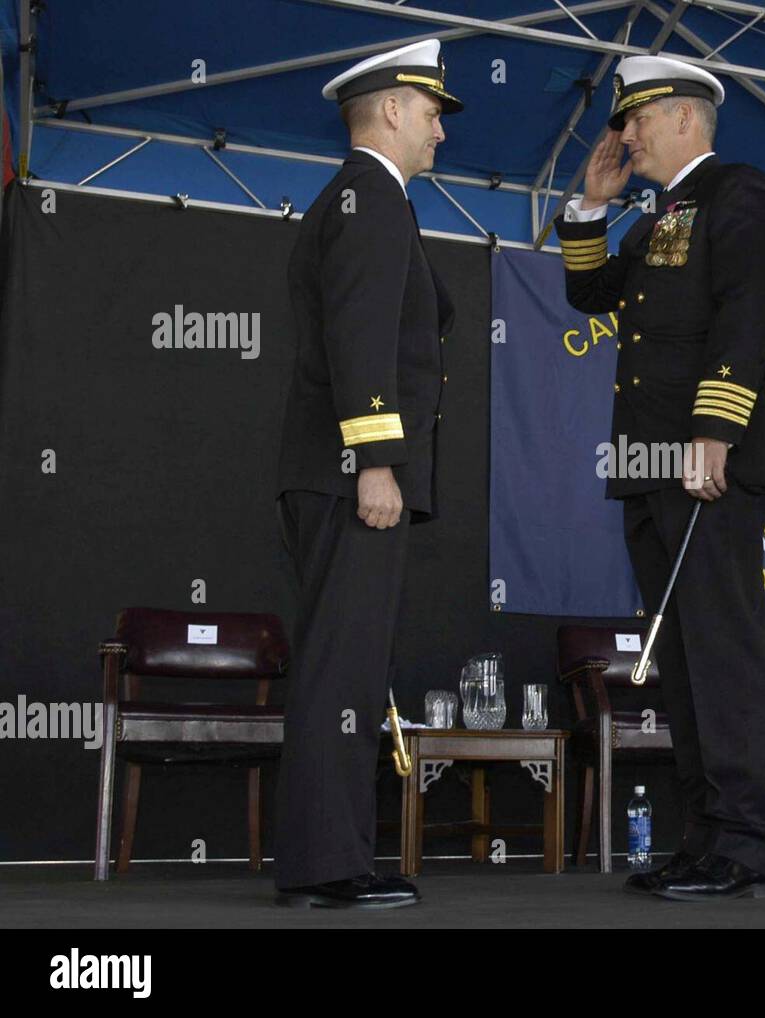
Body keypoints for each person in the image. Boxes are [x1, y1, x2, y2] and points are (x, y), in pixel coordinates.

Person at [554, 55, 765, 900]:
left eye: (637, 118)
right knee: (681, 660)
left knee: (723, 653)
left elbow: (748, 312)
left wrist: (715, 430)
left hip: (705, 464)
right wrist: (591, 207)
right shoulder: (658, 218)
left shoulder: (739, 192)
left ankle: (748, 842)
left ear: (686, 118)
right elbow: (590, 295)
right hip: (652, 472)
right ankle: (704, 836)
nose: (625, 134)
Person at [272, 38, 461, 909]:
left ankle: (331, 853)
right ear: (391, 108)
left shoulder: (369, 200)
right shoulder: (370, 198)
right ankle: (326, 866)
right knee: (339, 669)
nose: (440, 134)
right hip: (353, 472)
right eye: (431, 114)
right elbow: (360, 340)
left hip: (342, 469)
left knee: (344, 666)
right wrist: (378, 462)